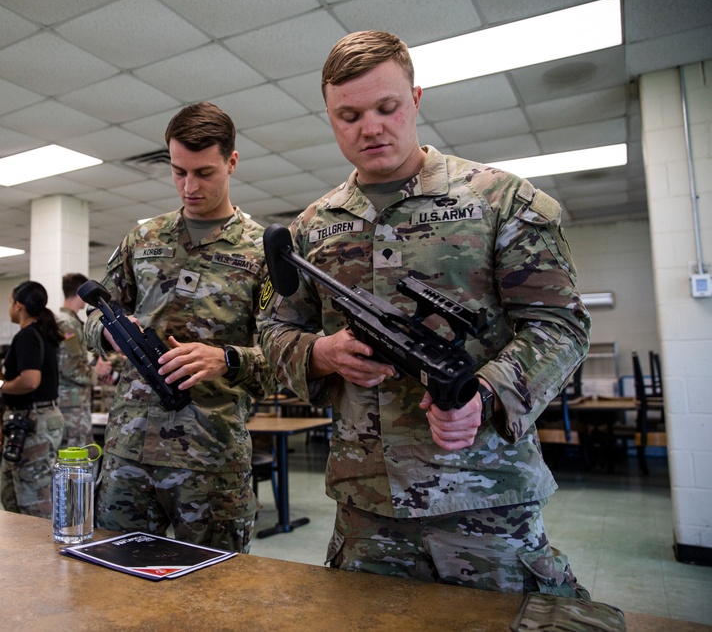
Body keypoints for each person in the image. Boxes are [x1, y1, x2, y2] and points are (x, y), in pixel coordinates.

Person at [257, 31, 592, 597]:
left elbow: (561, 325)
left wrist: (485, 393)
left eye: (386, 107)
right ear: (330, 118)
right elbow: (273, 329)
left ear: (415, 99)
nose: (370, 128)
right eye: (349, 115)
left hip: (484, 499)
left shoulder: (499, 200)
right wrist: (321, 352)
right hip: (367, 504)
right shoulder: (312, 227)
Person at [83, 102, 271, 554]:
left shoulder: (260, 251)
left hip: (211, 458)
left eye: (204, 173)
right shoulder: (143, 238)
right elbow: (92, 317)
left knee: (215, 587)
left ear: (232, 161)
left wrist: (226, 359)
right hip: (129, 453)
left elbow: (285, 357)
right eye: (178, 171)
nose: (190, 186)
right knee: (114, 582)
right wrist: (107, 333)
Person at [0, 281, 66, 516]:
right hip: (27, 418)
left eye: (10, 302)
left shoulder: (28, 336)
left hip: (35, 423)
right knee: (11, 494)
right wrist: (8, 422)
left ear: (18, 306)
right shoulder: (42, 333)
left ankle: (40, 541)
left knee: (34, 501)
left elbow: (30, 381)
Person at [56, 272, 112, 448]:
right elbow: (70, 366)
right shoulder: (68, 324)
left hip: (72, 401)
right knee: (76, 453)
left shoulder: (67, 321)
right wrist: (97, 373)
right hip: (71, 405)